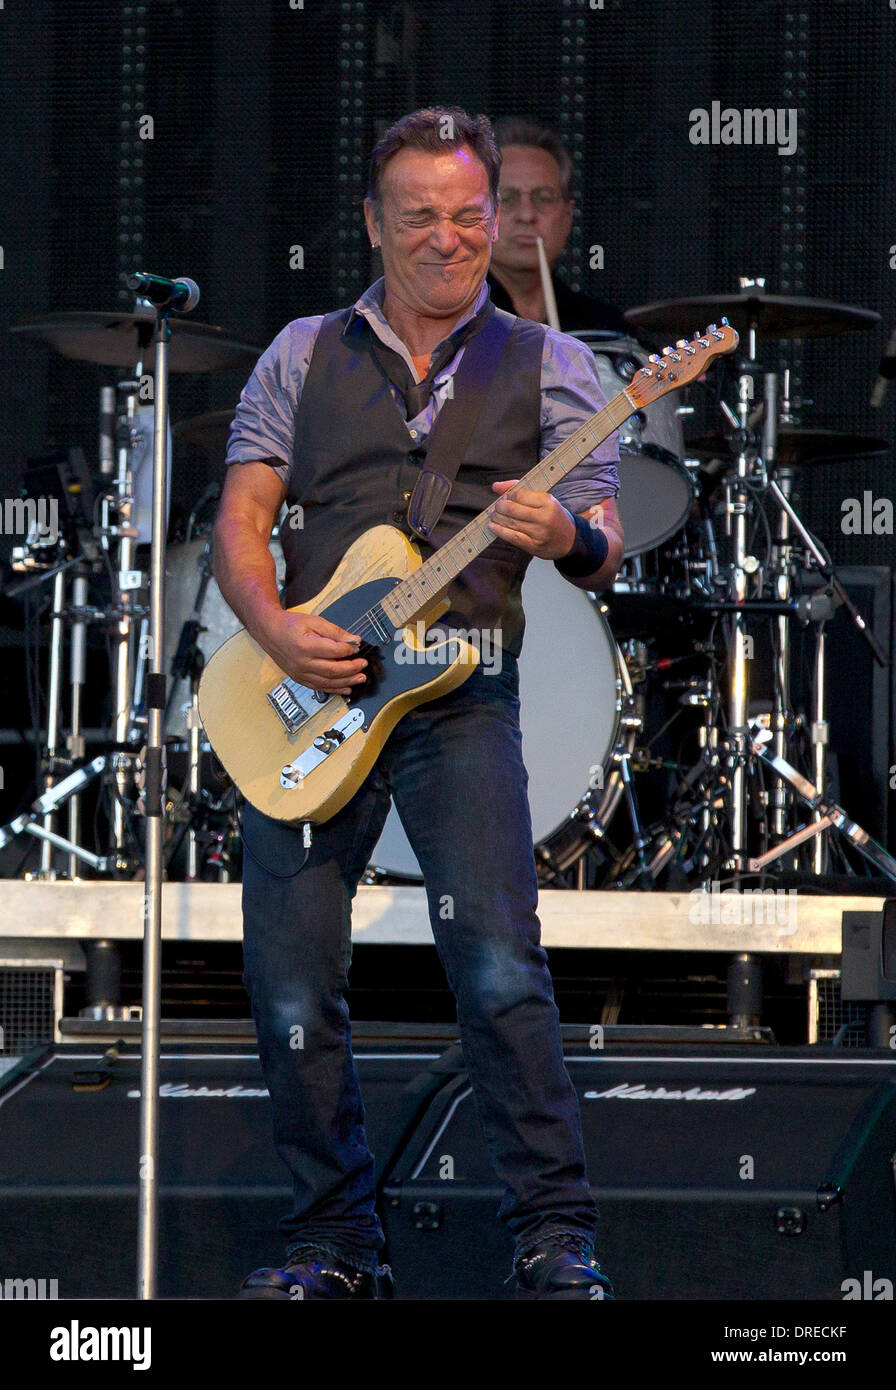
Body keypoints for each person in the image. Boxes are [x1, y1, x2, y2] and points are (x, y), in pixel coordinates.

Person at [214, 105, 623, 1301]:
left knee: (497, 965)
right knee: (290, 981)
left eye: (466, 215)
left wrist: (567, 534)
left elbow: (601, 536)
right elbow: (243, 519)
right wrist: (273, 626)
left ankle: (554, 1236)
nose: (446, 240)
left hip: (459, 695)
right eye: (418, 219)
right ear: (372, 223)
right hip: (311, 678)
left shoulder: (558, 367)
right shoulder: (301, 349)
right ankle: (331, 1244)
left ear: (494, 215)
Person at [487, 116, 627, 332]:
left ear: (567, 216)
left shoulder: (605, 327)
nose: (526, 215)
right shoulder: (453, 324)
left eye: (543, 198)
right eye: (507, 198)